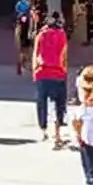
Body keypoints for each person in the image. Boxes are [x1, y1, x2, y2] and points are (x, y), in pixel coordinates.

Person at [34, 11, 69, 147]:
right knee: (59, 104)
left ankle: (43, 130)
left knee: (42, 103)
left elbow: (35, 53)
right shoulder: (62, 35)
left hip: (42, 72)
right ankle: (57, 133)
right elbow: (64, 56)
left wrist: (35, 71)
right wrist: (64, 71)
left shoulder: (40, 35)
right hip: (58, 73)